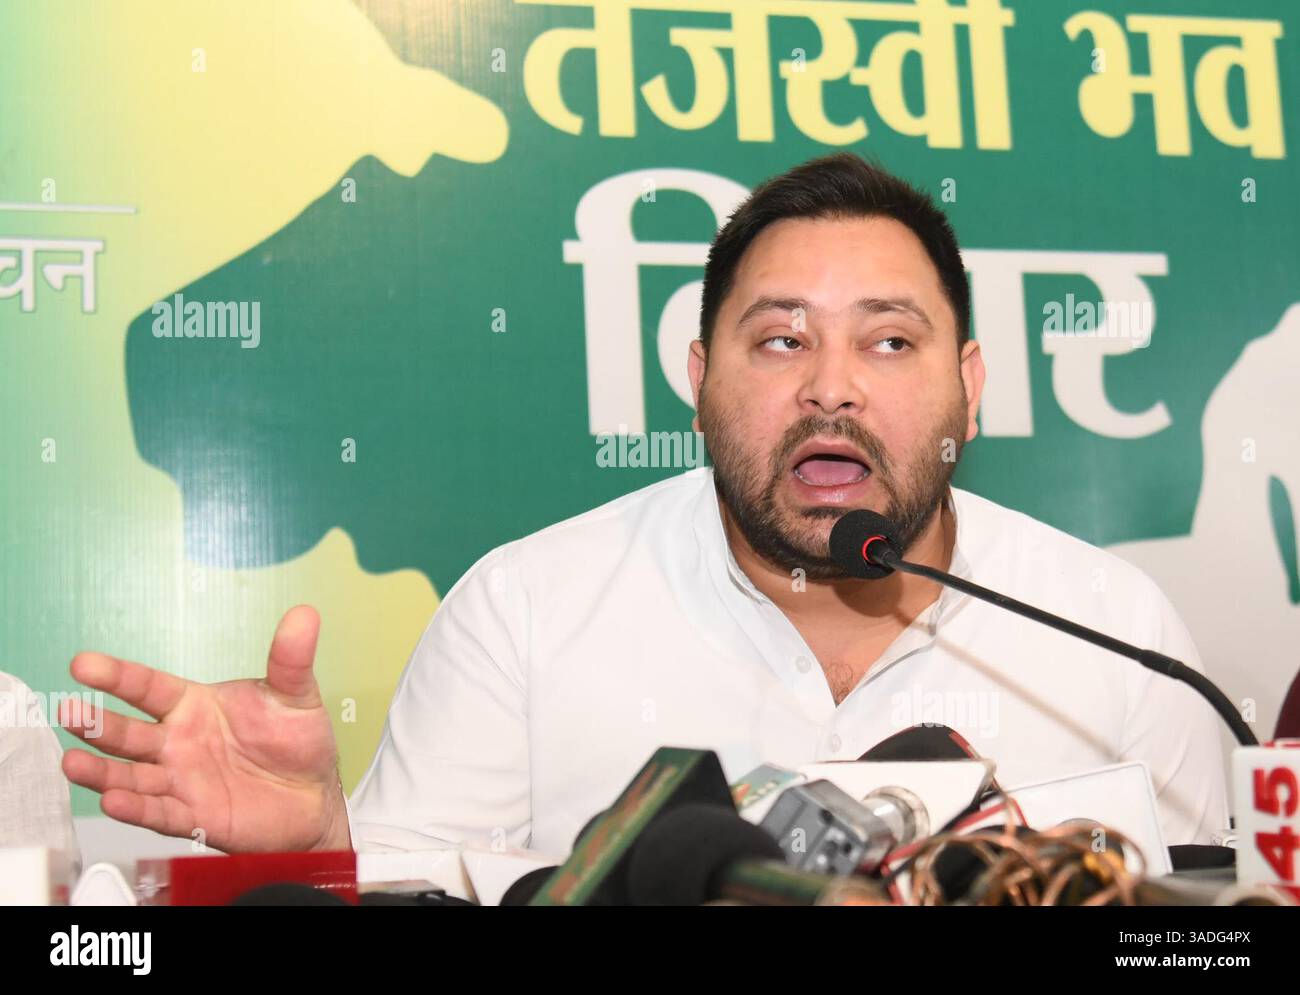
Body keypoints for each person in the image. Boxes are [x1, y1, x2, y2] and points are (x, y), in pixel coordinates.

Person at [61, 153, 1229, 858]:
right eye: (778, 339)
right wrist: (328, 847)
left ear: (967, 389)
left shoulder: (1115, 631)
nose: (830, 384)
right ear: (696, 380)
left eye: (887, 339)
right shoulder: (524, 612)